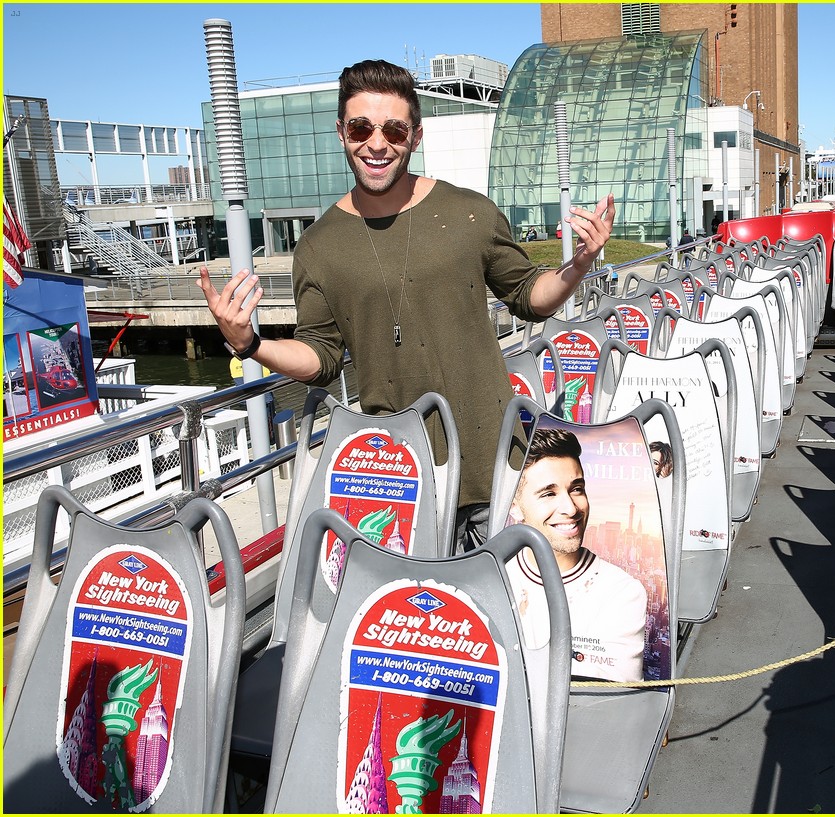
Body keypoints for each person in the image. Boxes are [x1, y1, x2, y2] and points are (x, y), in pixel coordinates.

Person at [197, 59, 616, 549]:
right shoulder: (317, 246)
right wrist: (249, 344)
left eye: (394, 129)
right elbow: (321, 358)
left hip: (494, 462)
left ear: (414, 137)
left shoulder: (469, 212)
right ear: (341, 133)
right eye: (361, 127)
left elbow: (528, 297)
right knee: (425, 620)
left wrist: (580, 264)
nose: (377, 143)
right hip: (397, 479)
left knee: (513, 616)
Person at [504, 427, 647, 682]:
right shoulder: (494, 579)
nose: (570, 508)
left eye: (577, 489)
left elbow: (611, 705)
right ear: (515, 506)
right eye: (549, 494)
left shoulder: (622, 592)